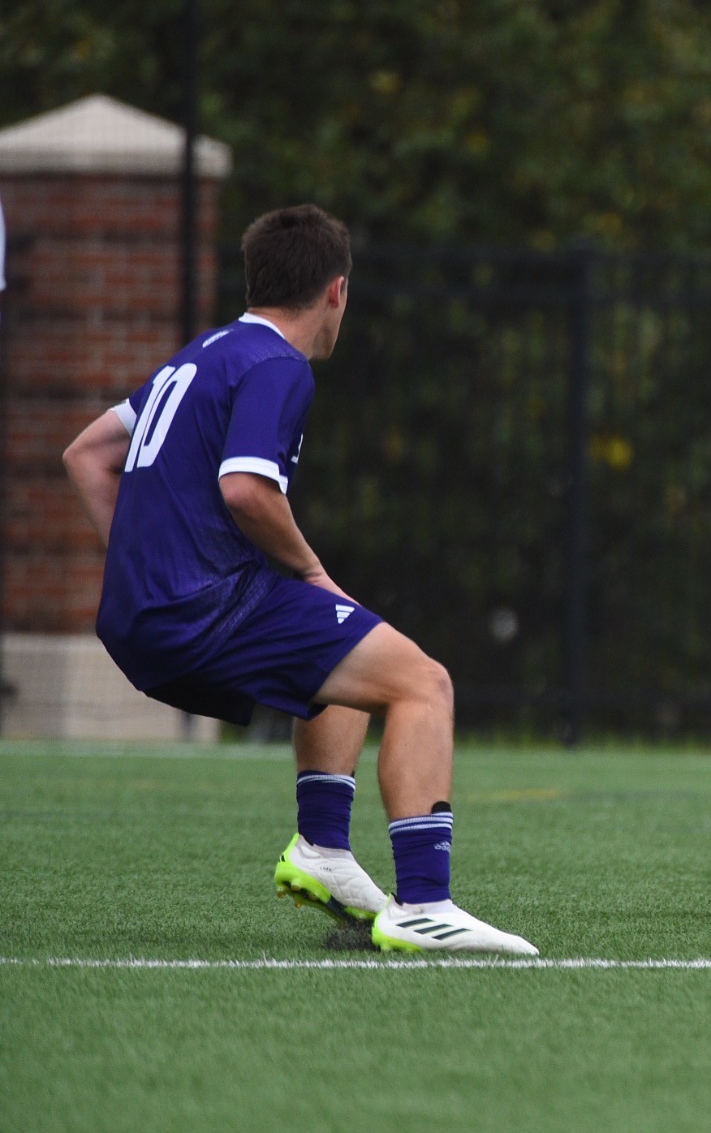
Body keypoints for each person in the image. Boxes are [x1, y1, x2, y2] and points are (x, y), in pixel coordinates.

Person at [62, 205, 536, 956]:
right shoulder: (278, 364)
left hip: (138, 616)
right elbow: (247, 489)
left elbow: (86, 455)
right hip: (204, 606)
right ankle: (423, 902)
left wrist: (140, 565)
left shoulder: (203, 352)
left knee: (349, 651)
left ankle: (322, 847)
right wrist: (309, 571)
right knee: (424, 683)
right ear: (337, 292)